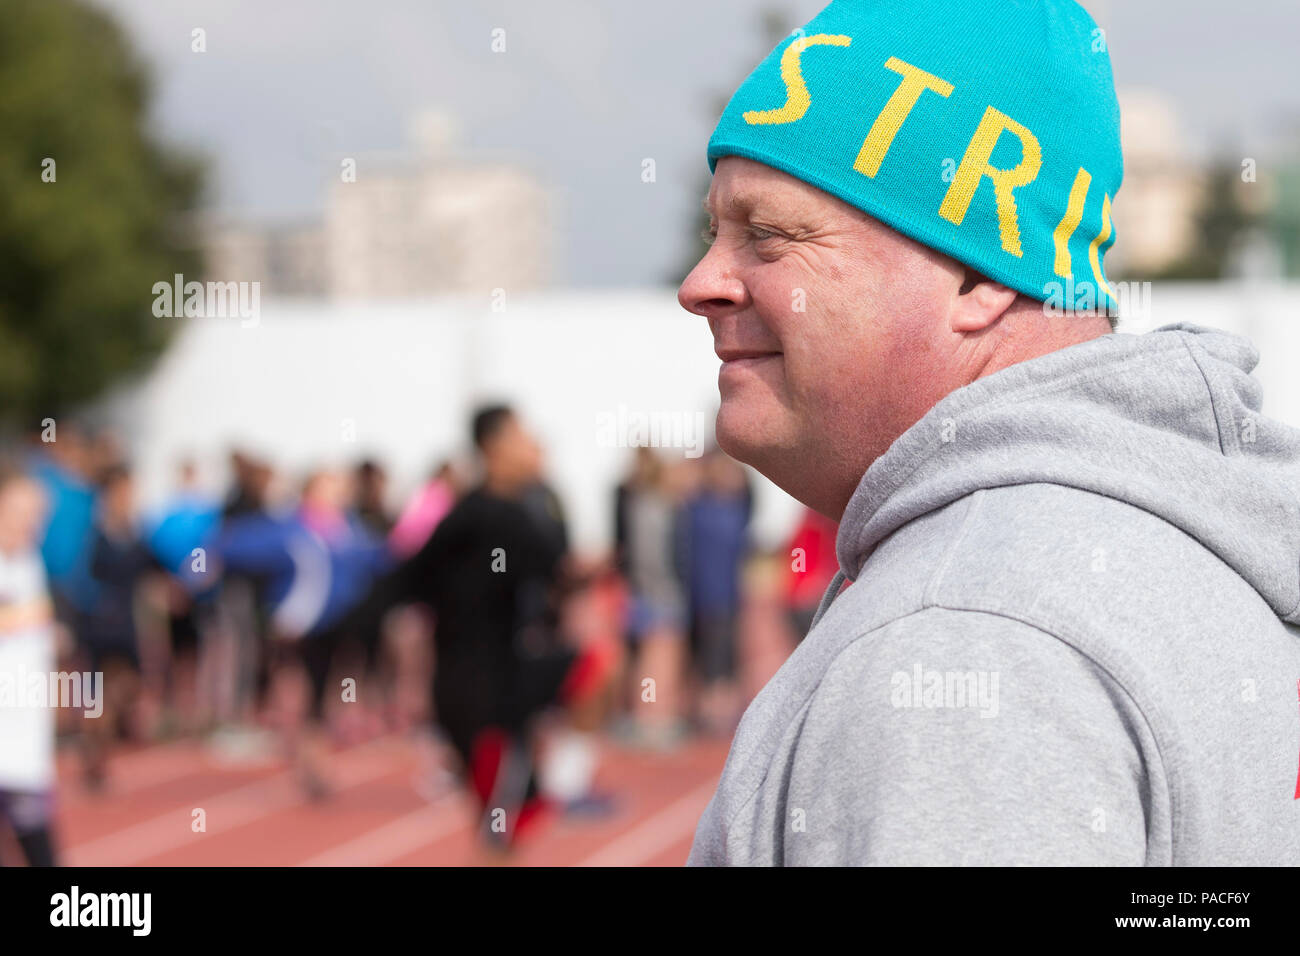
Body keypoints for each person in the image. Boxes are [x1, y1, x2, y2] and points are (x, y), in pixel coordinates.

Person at [679, 0, 1300, 865]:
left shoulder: (965, 638)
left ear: (978, 276)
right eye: (717, 232)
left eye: (770, 236)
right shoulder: (1185, 541)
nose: (700, 282)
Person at [341, 405, 617, 849]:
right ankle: (559, 790)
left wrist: (592, 569)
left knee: (595, 668)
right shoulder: (469, 517)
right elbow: (404, 580)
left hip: (508, 679)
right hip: (475, 697)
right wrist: (341, 629)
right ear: (494, 447)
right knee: (497, 832)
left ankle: (563, 785)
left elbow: (557, 575)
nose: (535, 447)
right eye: (524, 437)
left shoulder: (522, 512)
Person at [0, 465, 59, 865]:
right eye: (23, 510)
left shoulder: (29, 560)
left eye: (39, 514)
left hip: (23, 730)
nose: (33, 521)